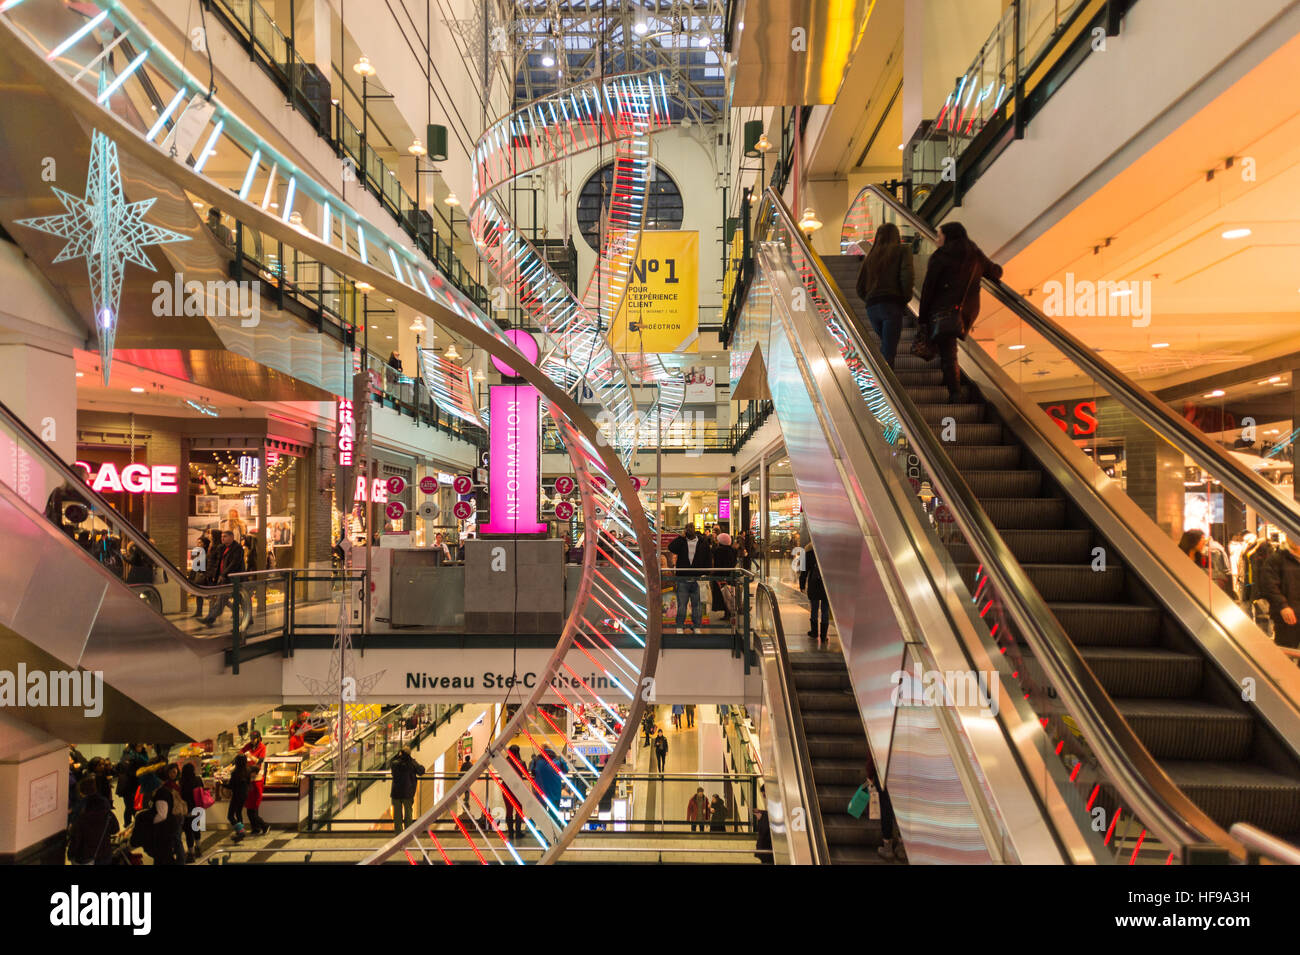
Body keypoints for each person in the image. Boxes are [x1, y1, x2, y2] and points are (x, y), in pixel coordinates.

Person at [917, 222, 1003, 403]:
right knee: (948, 348)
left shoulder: (940, 257)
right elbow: (995, 271)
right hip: (966, 312)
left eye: (939, 236)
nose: (936, 239)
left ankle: (955, 392)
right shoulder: (974, 254)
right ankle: (952, 386)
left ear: (948, 237)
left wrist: (922, 317)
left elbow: (928, 289)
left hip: (942, 311)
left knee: (948, 352)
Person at [855, 221, 915, 366]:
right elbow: (907, 276)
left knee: (886, 346)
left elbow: (859, 287)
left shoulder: (871, 256)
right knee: (889, 350)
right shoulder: (902, 250)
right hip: (892, 305)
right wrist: (904, 299)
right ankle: (885, 386)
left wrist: (870, 299)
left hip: (872, 308)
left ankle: (885, 383)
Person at [667, 524, 713, 632]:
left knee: (697, 605)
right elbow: (671, 547)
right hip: (683, 578)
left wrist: (706, 573)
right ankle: (679, 626)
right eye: (687, 530)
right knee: (682, 605)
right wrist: (680, 537)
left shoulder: (702, 543)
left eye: (690, 530)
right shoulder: (682, 541)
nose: (689, 532)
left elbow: (708, 558)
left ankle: (696, 626)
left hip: (697, 578)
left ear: (694, 531)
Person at [68, 776, 119, 865]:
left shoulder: (80, 815)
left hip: (85, 856)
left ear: (81, 792)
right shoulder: (106, 810)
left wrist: (70, 854)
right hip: (104, 853)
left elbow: (76, 839)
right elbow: (115, 829)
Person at [199, 530, 247, 627]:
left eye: (225, 536)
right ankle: (210, 618)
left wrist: (224, 574)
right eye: (222, 536)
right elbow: (217, 563)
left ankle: (210, 618)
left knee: (228, 599)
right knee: (227, 599)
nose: (222, 538)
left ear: (232, 537)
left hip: (233, 579)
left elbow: (234, 563)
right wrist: (215, 576)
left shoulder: (237, 548)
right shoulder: (221, 548)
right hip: (224, 579)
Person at [1260, 536, 1300, 650]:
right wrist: (1283, 606)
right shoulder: (1276, 559)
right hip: (1287, 618)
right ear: (1287, 536)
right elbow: (1268, 585)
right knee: (1286, 656)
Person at [1178, 529, 1234, 596]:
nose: (1204, 542)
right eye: (1202, 539)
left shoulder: (1202, 558)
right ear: (1193, 541)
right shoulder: (1180, 558)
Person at [149, 764, 184, 865]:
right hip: (175, 815)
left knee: (177, 840)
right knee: (176, 839)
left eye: (175, 771)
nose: (174, 774)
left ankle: (181, 861)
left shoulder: (171, 785)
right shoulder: (170, 785)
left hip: (175, 815)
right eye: (172, 772)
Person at [799, 542, 831, 645]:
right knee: (825, 610)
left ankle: (814, 632)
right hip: (826, 584)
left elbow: (803, 571)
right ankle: (823, 635)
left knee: (814, 608)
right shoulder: (828, 553)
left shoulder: (808, 553)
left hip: (814, 585)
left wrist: (802, 585)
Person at [389, 747, 425, 832]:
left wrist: (397, 756)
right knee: (408, 814)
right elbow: (421, 771)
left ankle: (398, 834)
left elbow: (391, 765)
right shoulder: (412, 763)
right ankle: (408, 833)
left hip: (396, 792)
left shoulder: (394, 763)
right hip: (407, 792)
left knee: (397, 815)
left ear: (400, 753)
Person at [115, 743, 148, 826]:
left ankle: (134, 825)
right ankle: (129, 825)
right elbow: (127, 770)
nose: (141, 747)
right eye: (139, 746)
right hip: (128, 785)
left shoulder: (143, 755)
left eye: (141, 746)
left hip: (138, 784)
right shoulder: (128, 754)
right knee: (130, 807)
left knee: (134, 807)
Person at [179, 763, 204, 862]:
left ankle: (191, 853)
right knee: (196, 828)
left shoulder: (182, 782)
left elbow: (182, 796)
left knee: (189, 831)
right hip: (198, 809)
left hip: (188, 810)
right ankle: (199, 848)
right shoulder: (198, 779)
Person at [712, 532, 738, 621]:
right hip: (730, 575)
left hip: (720, 575)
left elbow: (716, 564)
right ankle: (730, 612)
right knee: (730, 594)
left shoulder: (718, 551)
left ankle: (727, 613)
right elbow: (734, 562)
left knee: (723, 595)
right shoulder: (733, 550)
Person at [504, 744, 527, 841]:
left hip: (506, 787)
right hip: (518, 789)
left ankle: (510, 832)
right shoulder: (521, 762)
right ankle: (518, 832)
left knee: (509, 810)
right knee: (518, 810)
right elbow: (525, 773)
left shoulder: (505, 762)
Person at [228, 754, 251, 841]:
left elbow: (231, 786)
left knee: (230, 816)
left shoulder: (235, 773)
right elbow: (248, 783)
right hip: (244, 795)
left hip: (236, 796)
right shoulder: (248, 771)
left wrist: (222, 784)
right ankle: (240, 831)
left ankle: (240, 831)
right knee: (238, 813)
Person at [244, 762, 269, 836]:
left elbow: (259, 793)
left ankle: (265, 826)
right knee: (250, 815)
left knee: (254, 816)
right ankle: (255, 829)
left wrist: (257, 801)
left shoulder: (257, 782)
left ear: (254, 773)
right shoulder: (253, 779)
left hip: (254, 801)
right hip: (250, 800)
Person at [753, 785, 772, 863]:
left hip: (768, 847)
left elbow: (764, 830)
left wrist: (762, 817)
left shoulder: (775, 804)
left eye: (764, 795)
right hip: (767, 847)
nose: (764, 797)